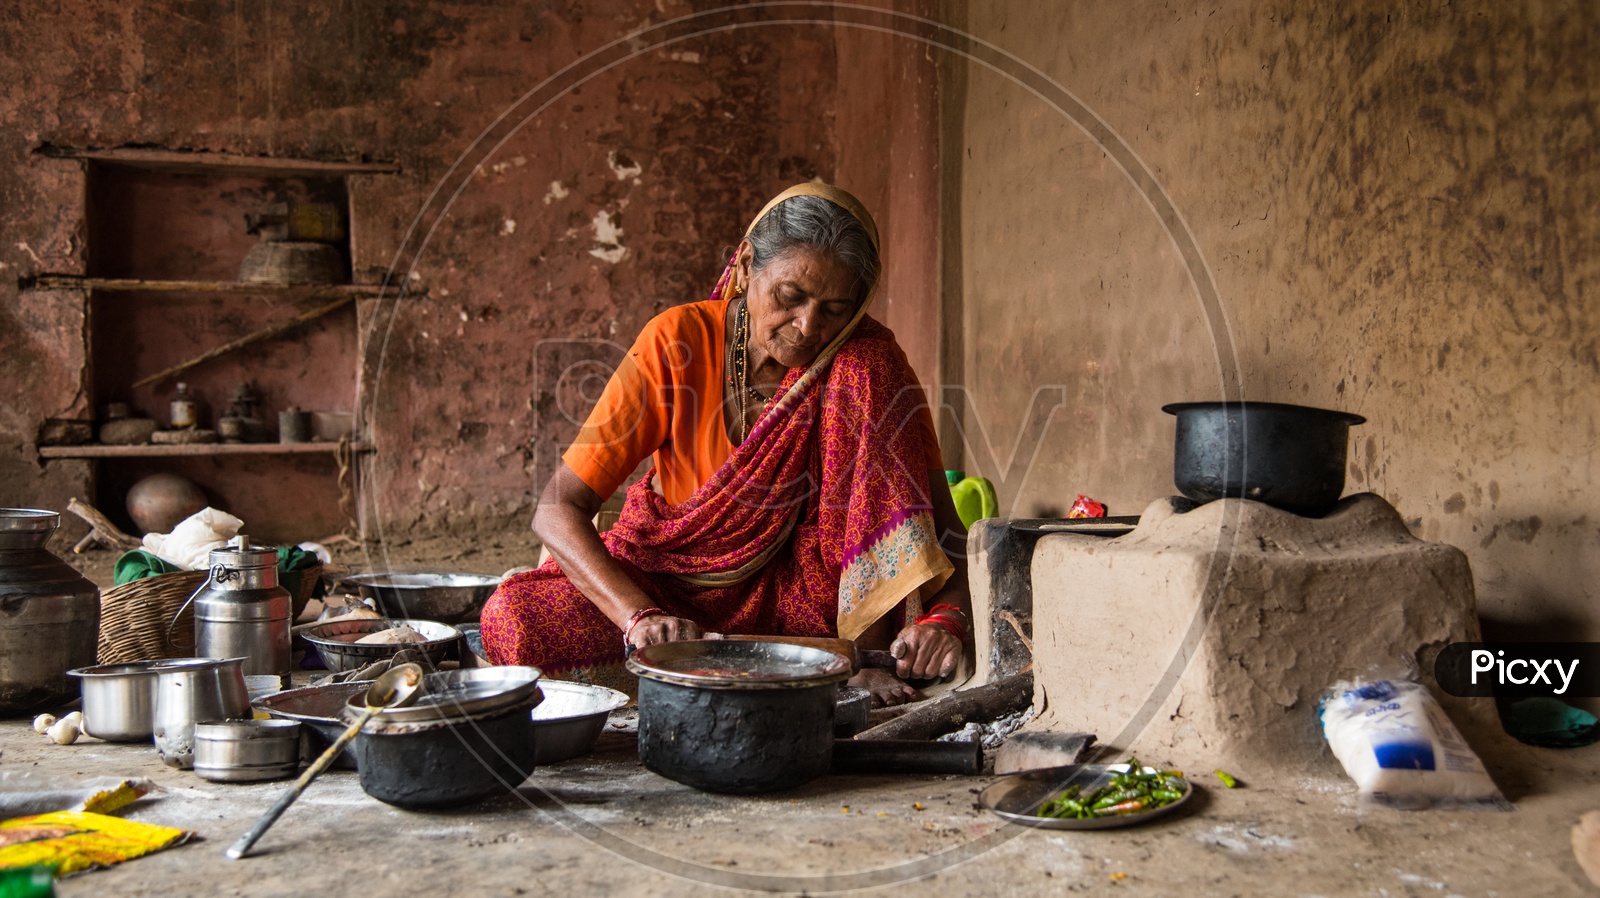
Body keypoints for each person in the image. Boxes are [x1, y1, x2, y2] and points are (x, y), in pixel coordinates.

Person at [480, 183, 973, 706]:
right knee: (515, 621)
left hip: (814, 613)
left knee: (863, 363)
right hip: (669, 593)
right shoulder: (677, 341)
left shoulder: (866, 365)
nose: (808, 327)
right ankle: (793, 671)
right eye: (790, 297)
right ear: (744, 266)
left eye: (834, 309)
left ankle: (829, 661)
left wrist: (946, 618)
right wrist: (638, 617)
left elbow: (944, 533)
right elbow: (558, 508)